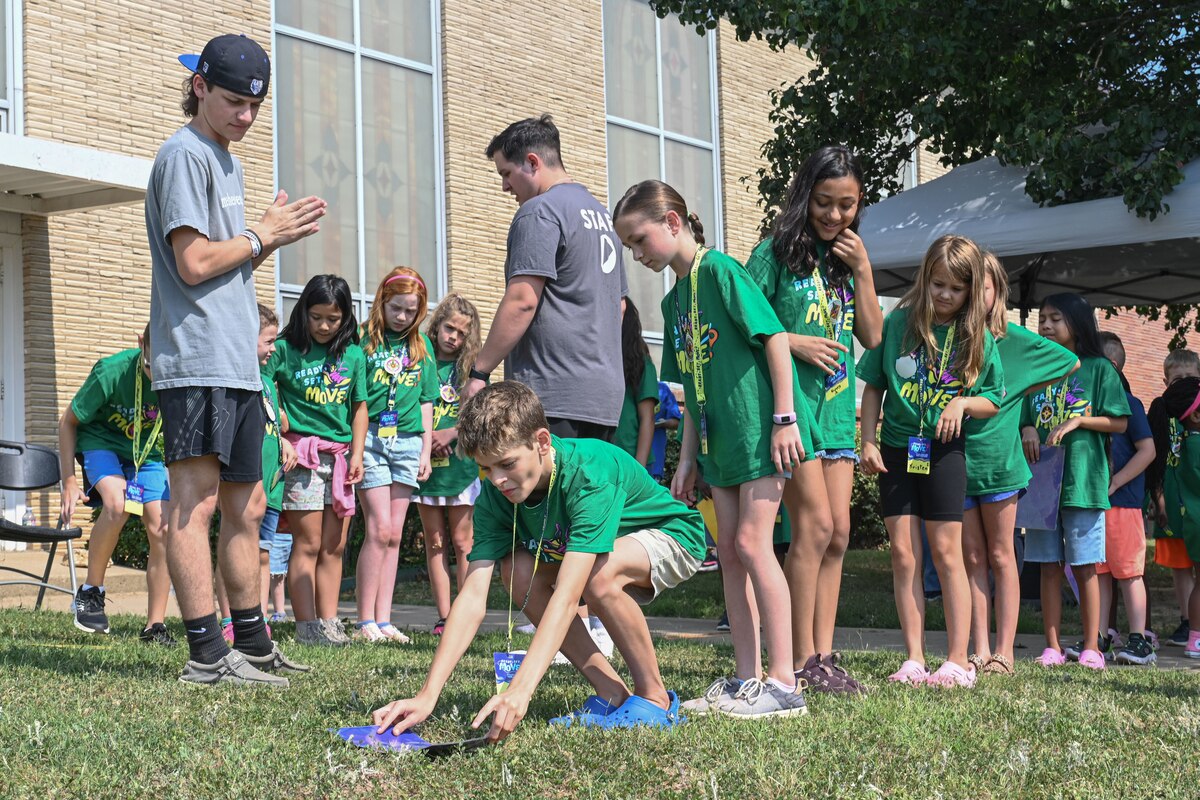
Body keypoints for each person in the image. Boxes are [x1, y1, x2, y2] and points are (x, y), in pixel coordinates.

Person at [371, 381, 707, 741]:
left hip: (673, 535)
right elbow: (471, 596)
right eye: (487, 468)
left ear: (542, 442)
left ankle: (654, 698)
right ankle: (611, 693)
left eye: (507, 463)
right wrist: (427, 695)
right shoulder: (498, 494)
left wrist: (521, 690)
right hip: (599, 552)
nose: (498, 479)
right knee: (516, 571)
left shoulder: (588, 474)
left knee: (598, 576)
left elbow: (567, 596)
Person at [146, 33, 322, 684]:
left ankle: (251, 644)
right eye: (232, 103)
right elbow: (193, 264)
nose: (245, 116)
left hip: (238, 360)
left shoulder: (226, 158)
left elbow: (228, 265)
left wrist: (265, 239)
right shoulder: (183, 155)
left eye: (255, 106)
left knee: (248, 508)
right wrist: (261, 234)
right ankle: (205, 656)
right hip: (195, 359)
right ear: (199, 87)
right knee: (193, 505)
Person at [614, 179, 813, 718]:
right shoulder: (675, 298)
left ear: (672, 222)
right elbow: (693, 386)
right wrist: (686, 457)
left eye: (639, 239)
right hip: (718, 444)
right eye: (629, 246)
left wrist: (784, 418)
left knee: (752, 546)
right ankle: (747, 678)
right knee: (727, 553)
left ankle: (785, 681)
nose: (637, 253)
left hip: (758, 431)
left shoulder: (722, 270)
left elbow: (772, 337)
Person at [744, 146, 883, 694]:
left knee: (840, 534)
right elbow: (742, 328)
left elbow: (872, 338)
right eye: (824, 203)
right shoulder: (773, 255)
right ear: (806, 196)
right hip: (794, 413)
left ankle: (824, 654)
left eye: (846, 205)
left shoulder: (846, 260)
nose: (834, 216)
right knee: (814, 527)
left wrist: (865, 269)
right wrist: (793, 341)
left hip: (836, 412)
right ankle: (799, 657)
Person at [859, 234, 1003, 688]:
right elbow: (873, 387)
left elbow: (993, 400)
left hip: (944, 453)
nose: (944, 295)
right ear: (925, 279)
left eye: (956, 289)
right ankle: (914, 659)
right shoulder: (897, 323)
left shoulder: (974, 335)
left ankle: (958, 660)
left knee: (946, 552)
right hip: (898, 451)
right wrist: (867, 441)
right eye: (938, 284)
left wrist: (961, 405)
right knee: (903, 555)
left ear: (970, 290)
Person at [463, 114, 627, 440]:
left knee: (546, 490)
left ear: (533, 162)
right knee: (584, 490)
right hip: (604, 398)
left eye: (507, 173)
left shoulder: (540, 211)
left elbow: (522, 300)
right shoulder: (602, 216)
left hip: (552, 393)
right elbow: (618, 308)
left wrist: (479, 371)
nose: (504, 186)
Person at [960, 253, 1078, 676]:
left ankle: (1004, 653)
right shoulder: (952, 335)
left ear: (998, 292)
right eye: (969, 285)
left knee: (1001, 553)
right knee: (971, 559)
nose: (977, 295)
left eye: (984, 286)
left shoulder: (1014, 338)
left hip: (1001, 467)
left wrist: (1020, 390)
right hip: (956, 465)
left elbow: (1069, 361)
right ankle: (977, 649)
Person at [1020, 293, 1130, 670]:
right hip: (1041, 486)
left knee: (1085, 567)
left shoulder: (1100, 368)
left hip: (1083, 482)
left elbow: (1120, 422)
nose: (1046, 325)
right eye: (1042, 319)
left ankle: (1091, 648)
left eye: (1055, 318)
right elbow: (1020, 411)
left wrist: (1080, 421)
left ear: (1077, 323)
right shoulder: (1035, 368)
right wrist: (1028, 427)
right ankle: (1051, 646)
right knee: (1047, 566)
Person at [266, 274, 367, 646]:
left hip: (340, 460)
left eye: (333, 319)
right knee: (306, 544)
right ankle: (307, 626)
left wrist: (357, 453)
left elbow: (359, 406)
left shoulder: (353, 355)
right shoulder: (283, 350)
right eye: (317, 317)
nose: (324, 326)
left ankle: (330, 622)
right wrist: (279, 425)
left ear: (346, 318)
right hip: (302, 459)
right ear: (303, 312)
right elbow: (260, 386)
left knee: (334, 546)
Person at [59, 326, 173, 645]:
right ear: (141, 344)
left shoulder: (180, 379)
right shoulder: (111, 371)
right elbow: (68, 422)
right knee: (117, 504)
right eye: (152, 367)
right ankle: (91, 592)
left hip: (147, 453)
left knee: (163, 528)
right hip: (102, 442)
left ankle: (155, 625)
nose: (157, 377)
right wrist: (68, 479)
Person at [354, 267, 437, 643]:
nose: (402, 317)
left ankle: (384, 620)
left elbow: (426, 401)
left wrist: (425, 449)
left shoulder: (421, 346)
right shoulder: (363, 339)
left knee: (395, 533)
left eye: (410, 310)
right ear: (382, 303)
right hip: (370, 437)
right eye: (396, 308)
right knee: (378, 528)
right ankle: (363, 619)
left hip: (407, 441)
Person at [1076, 332, 1156, 665]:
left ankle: (1139, 640)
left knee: (1129, 572)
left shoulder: (1129, 404)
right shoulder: (1090, 407)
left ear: (1107, 366)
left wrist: (1116, 482)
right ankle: (1098, 636)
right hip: (1097, 504)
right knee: (1101, 571)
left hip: (1122, 504)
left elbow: (1147, 450)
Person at [415, 293, 484, 635]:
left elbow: (480, 415)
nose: (453, 337)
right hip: (426, 466)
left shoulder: (472, 371)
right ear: (437, 324)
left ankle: (464, 616)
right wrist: (429, 439)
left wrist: (451, 433)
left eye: (461, 333)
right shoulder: (419, 359)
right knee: (436, 541)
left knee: (462, 542)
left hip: (460, 467)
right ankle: (444, 617)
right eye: (448, 328)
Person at [1148, 349, 1200, 647]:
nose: (1184, 382)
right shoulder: (1162, 417)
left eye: (1191, 378)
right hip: (1171, 507)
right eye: (1177, 378)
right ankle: (1186, 621)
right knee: (1181, 567)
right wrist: (1157, 500)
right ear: (1165, 381)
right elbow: (1154, 465)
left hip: (1194, 506)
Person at [254, 304, 298, 618]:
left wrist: (284, 441)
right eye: (268, 342)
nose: (274, 349)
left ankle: (257, 621)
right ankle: (233, 619)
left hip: (273, 487)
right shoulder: (241, 382)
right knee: (243, 551)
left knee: (263, 554)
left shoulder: (268, 384)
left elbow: (273, 423)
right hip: (250, 486)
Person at [615, 299, 660, 468]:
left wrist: (638, 470)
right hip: (603, 456)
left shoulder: (641, 363)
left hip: (629, 458)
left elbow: (647, 418)